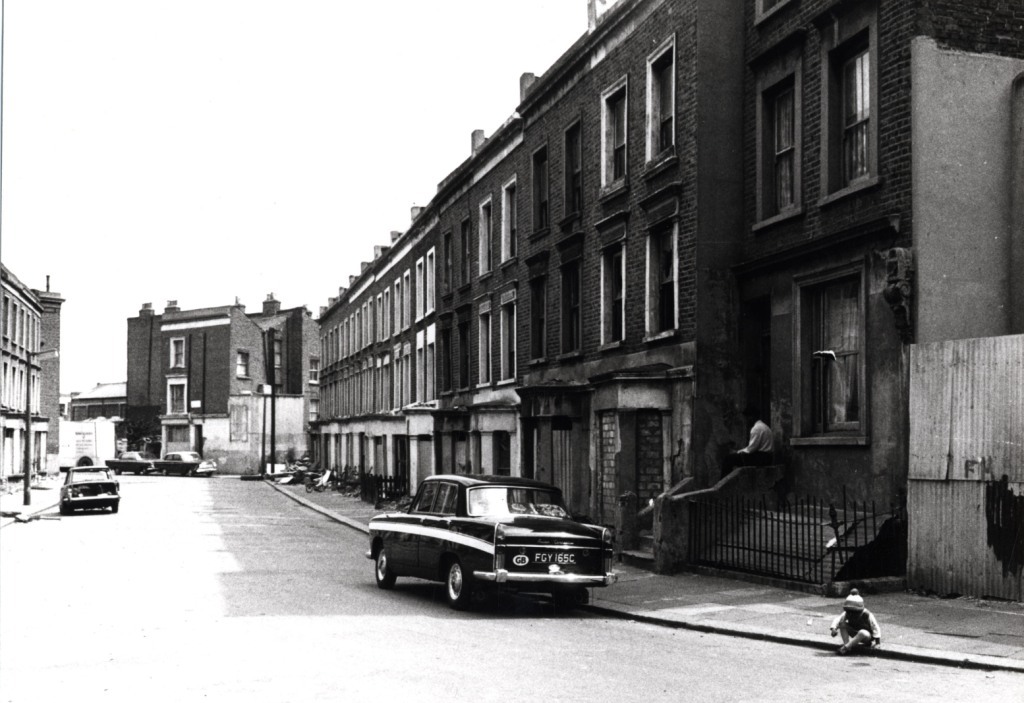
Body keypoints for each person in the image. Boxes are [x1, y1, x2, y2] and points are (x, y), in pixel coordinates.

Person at [722, 406, 774, 476]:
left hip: (761, 458)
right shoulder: (765, 427)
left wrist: (737, 452)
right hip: (767, 457)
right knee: (734, 458)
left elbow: (751, 449)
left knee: (729, 459)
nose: (747, 420)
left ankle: (724, 482)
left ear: (752, 417)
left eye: (747, 418)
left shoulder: (756, 428)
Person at [830, 589, 881, 655]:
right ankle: (847, 645)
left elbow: (875, 627)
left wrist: (878, 643)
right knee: (842, 623)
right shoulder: (847, 613)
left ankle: (845, 648)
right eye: (849, 612)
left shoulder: (867, 614)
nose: (851, 614)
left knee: (862, 632)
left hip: (866, 636)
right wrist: (834, 628)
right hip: (854, 632)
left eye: (854, 612)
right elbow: (838, 619)